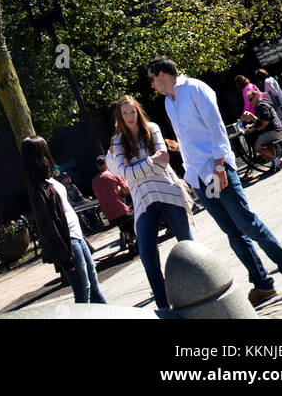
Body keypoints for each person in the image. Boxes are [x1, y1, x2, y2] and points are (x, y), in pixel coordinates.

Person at [147, 57, 282, 306]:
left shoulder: (196, 89)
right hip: (200, 176)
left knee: (249, 224)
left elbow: (216, 128)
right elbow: (187, 141)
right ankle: (263, 284)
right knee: (232, 233)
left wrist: (220, 167)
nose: (151, 84)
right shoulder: (169, 102)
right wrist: (192, 179)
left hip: (217, 169)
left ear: (161, 74)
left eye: (152, 78)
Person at [107, 95, 194, 309]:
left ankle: (201, 288)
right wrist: (151, 160)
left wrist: (140, 166)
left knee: (188, 245)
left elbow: (164, 161)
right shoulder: (118, 140)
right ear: (119, 116)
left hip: (169, 190)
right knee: (147, 254)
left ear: (138, 111)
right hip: (144, 200)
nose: (130, 117)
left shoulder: (152, 128)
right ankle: (164, 305)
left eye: (133, 112)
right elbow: (126, 174)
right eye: (125, 113)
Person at [21, 137, 107, 304]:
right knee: (84, 292)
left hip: (77, 236)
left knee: (93, 286)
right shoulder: (38, 188)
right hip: (68, 242)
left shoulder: (49, 179)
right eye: (45, 149)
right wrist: (65, 258)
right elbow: (48, 225)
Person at [91, 155, 136, 255]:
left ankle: (128, 237)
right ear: (107, 164)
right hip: (122, 211)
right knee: (135, 213)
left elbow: (103, 195)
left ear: (98, 166)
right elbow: (128, 191)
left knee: (121, 220)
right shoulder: (113, 174)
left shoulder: (94, 181)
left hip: (110, 216)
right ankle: (134, 238)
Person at [241, 86, 282, 171]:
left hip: (275, 131)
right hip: (278, 130)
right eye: (249, 100)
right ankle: (276, 162)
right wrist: (251, 117)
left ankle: (277, 160)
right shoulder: (263, 103)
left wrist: (259, 128)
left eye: (251, 99)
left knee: (257, 147)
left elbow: (265, 121)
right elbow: (262, 121)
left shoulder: (261, 106)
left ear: (257, 96)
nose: (250, 102)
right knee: (266, 143)